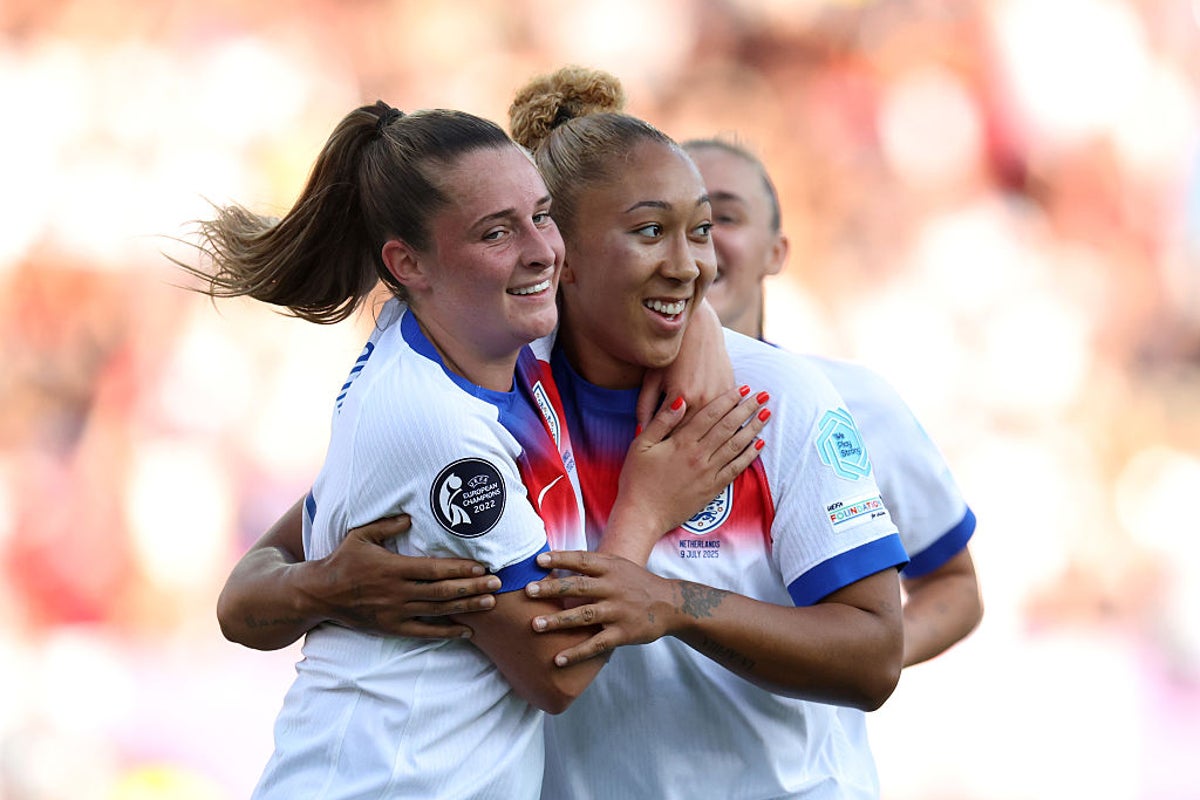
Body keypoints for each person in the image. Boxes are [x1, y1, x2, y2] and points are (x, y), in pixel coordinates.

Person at [217, 67, 908, 799]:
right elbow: (249, 593)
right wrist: (323, 588)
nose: (691, 266)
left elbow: (873, 658)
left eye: (700, 230)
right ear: (567, 259)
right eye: (649, 232)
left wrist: (677, 604)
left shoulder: (774, 399)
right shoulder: (487, 390)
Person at [682, 136, 983, 796]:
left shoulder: (852, 401)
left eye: (721, 218)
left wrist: (851, 652)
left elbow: (955, 586)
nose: (696, 245)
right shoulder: (573, 404)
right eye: (673, 223)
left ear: (777, 251)